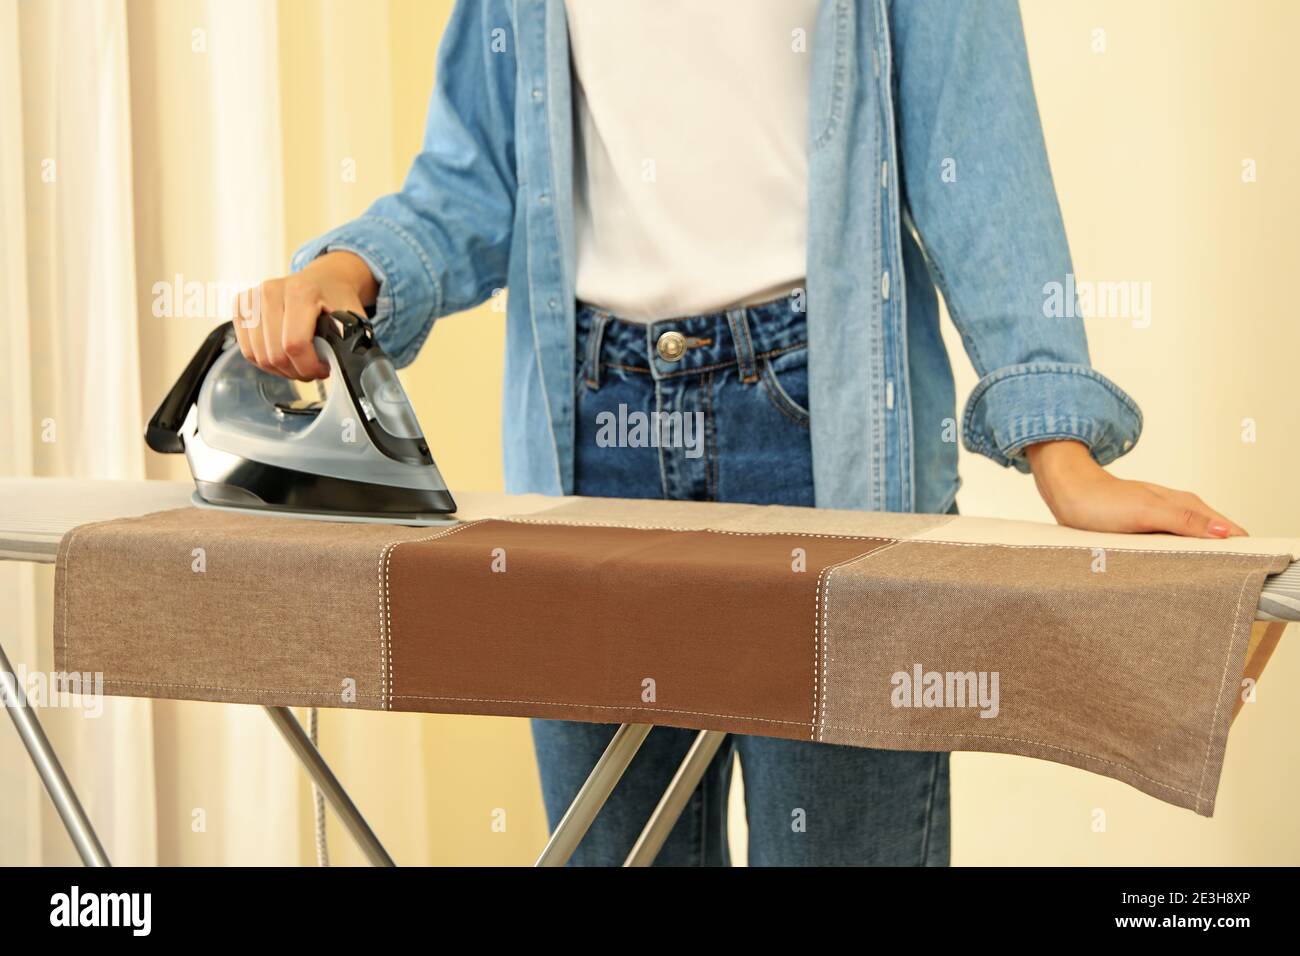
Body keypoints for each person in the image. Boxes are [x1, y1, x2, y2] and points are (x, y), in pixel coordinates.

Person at [232, 0, 1246, 866]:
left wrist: (1056, 443)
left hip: (826, 436)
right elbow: (477, 175)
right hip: (589, 446)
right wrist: (350, 270)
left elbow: (973, 150)